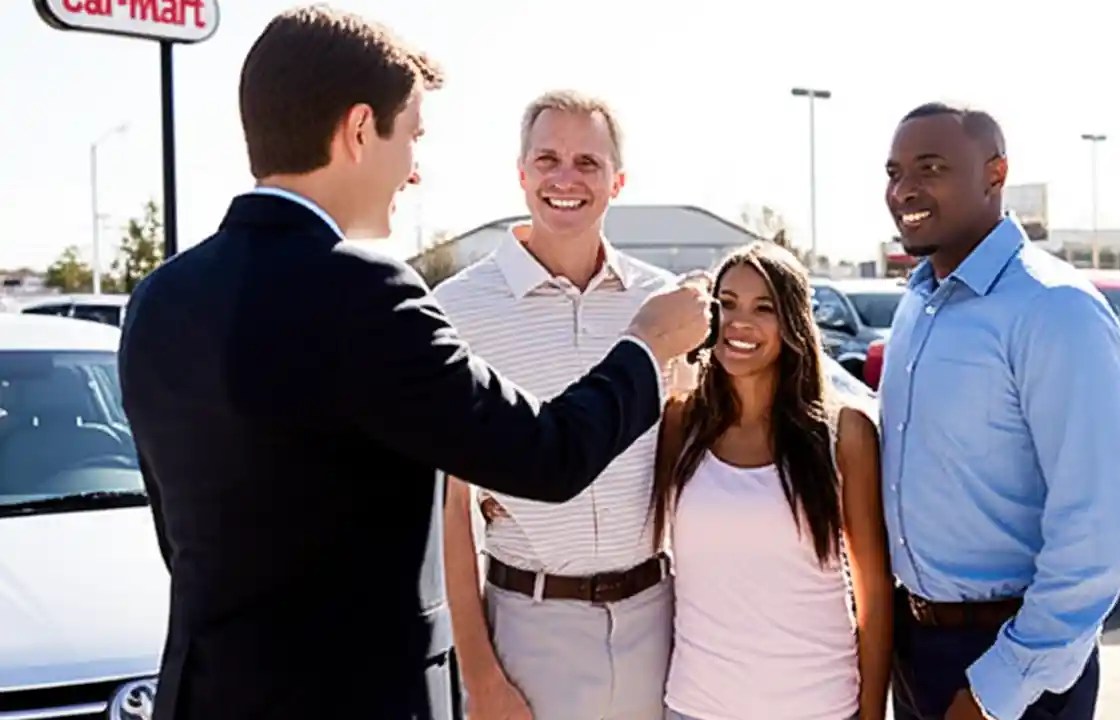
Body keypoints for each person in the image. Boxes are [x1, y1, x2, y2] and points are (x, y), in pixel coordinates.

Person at [116, 7, 712, 720]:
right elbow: (545, 458)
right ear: (361, 130)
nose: (416, 170)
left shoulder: (157, 301)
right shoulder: (368, 296)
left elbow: (178, 539)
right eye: (413, 136)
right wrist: (648, 345)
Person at [436, 89, 696, 720]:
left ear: (617, 181)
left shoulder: (665, 307)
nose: (566, 179)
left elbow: (682, 455)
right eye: (548, 159)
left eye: (588, 163)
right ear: (521, 173)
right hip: (528, 629)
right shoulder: (456, 311)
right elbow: (448, 511)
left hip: (660, 624)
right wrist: (481, 677)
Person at [878, 102, 1120, 720]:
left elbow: (1097, 527)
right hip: (916, 650)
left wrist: (1000, 686)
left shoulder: (1055, 309)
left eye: (931, 167)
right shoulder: (919, 302)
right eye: (893, 171)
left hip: (1008, 663)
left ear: (995, 173)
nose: (903, 190)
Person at [652, 242, 894, 720]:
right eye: (726, 305)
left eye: (764, 307)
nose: (740, 322)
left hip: (819, 706)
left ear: (793, 323)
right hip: (697, 706)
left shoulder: (844, 434)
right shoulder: (680, 422)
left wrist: (870, 713)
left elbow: (874, 592)